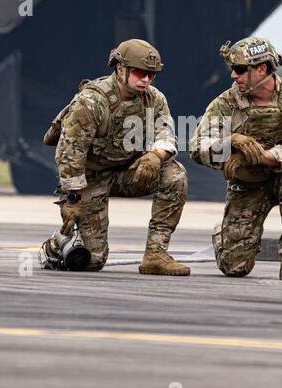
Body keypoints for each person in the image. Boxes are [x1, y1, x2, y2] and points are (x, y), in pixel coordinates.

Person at [42, 39, 189, 275]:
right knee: (92, 260)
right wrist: (71, 198)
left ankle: (156, 254)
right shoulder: (91, 102)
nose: (146, 80)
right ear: (121, 69)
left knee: (174, 174)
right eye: (141, 73)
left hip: (127, 171)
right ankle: (57, 243)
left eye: (152, 75)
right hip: (90, 179)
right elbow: (70, 152)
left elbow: (166, 133)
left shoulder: (154, 99)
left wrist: (155, 155)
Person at [190, 37, 282, 281]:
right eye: (233, 69)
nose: (233, 76)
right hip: (247, 185)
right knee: (234, 266)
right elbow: (197, 147)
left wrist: (258, 157)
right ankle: (223, 235)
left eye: (239, 69)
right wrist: (230, 143)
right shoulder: (226, 103)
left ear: (261, 69)